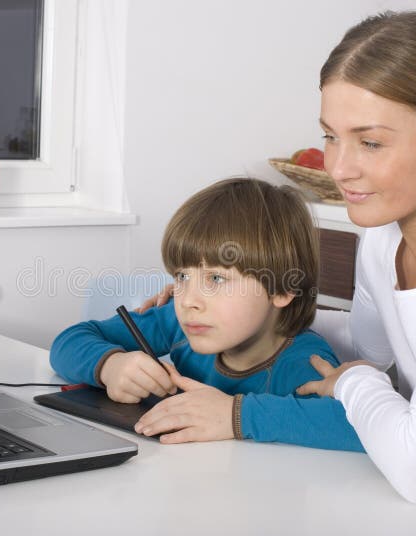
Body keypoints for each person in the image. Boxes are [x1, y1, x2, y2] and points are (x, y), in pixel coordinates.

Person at [143, 11, 416, 515]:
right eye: (330, 136)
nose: (339, 167)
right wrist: (232, 299)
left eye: (369, 142)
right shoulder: (384, 237)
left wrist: (341, 384)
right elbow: (371, 347)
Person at [50, 177, 363, 451]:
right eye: (182, 277)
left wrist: (233, 415)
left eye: (215, 279)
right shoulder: (179, 324)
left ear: (282, 289)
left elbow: (365, 427)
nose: (188, 301)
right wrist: (109, 365)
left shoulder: (304, 364)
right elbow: (68, 342)